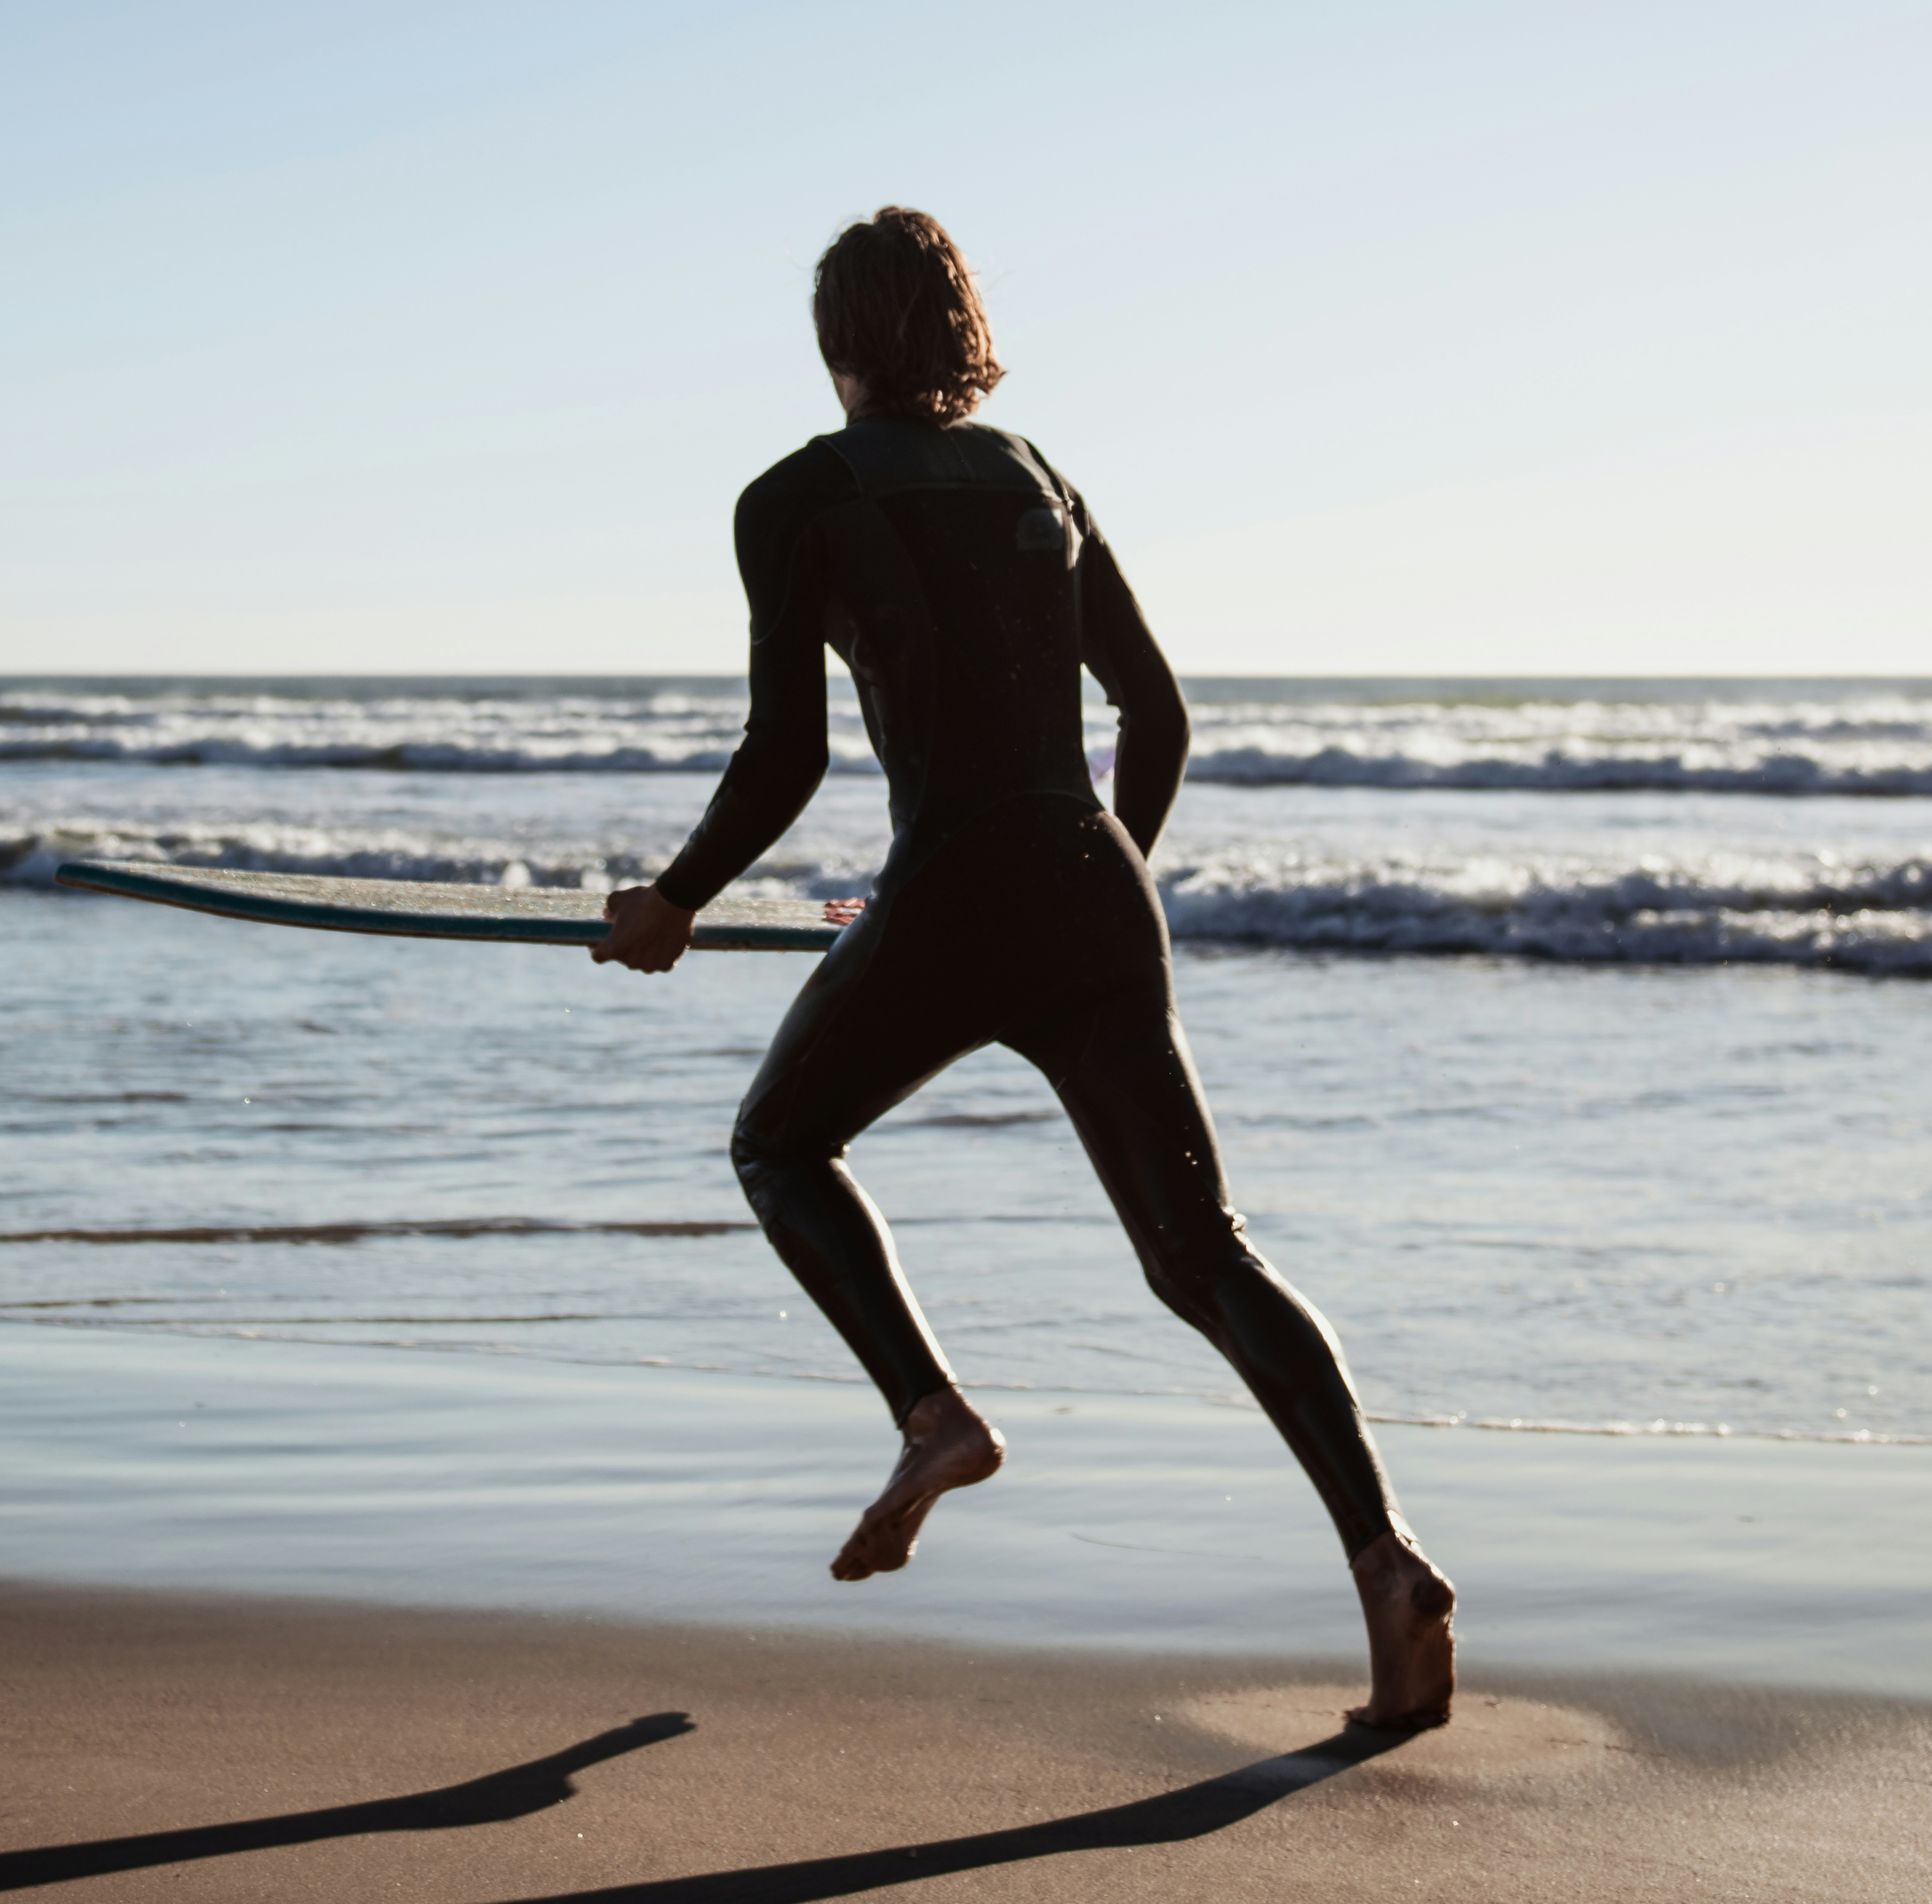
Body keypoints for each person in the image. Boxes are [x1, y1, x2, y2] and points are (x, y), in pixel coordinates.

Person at [589, 208, 1457, 1730]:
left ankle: (933, 1418)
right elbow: (1158, 715)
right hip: (1090, 890)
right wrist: (1083, 882)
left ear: (838, 340)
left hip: (964, 888)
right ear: (960, 329)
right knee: (1206, 1256)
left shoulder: (794, 496)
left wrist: (674, 899)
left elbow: (785, 749)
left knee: (779, 1143)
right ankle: (1386, 1562)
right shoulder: (1043, 479)